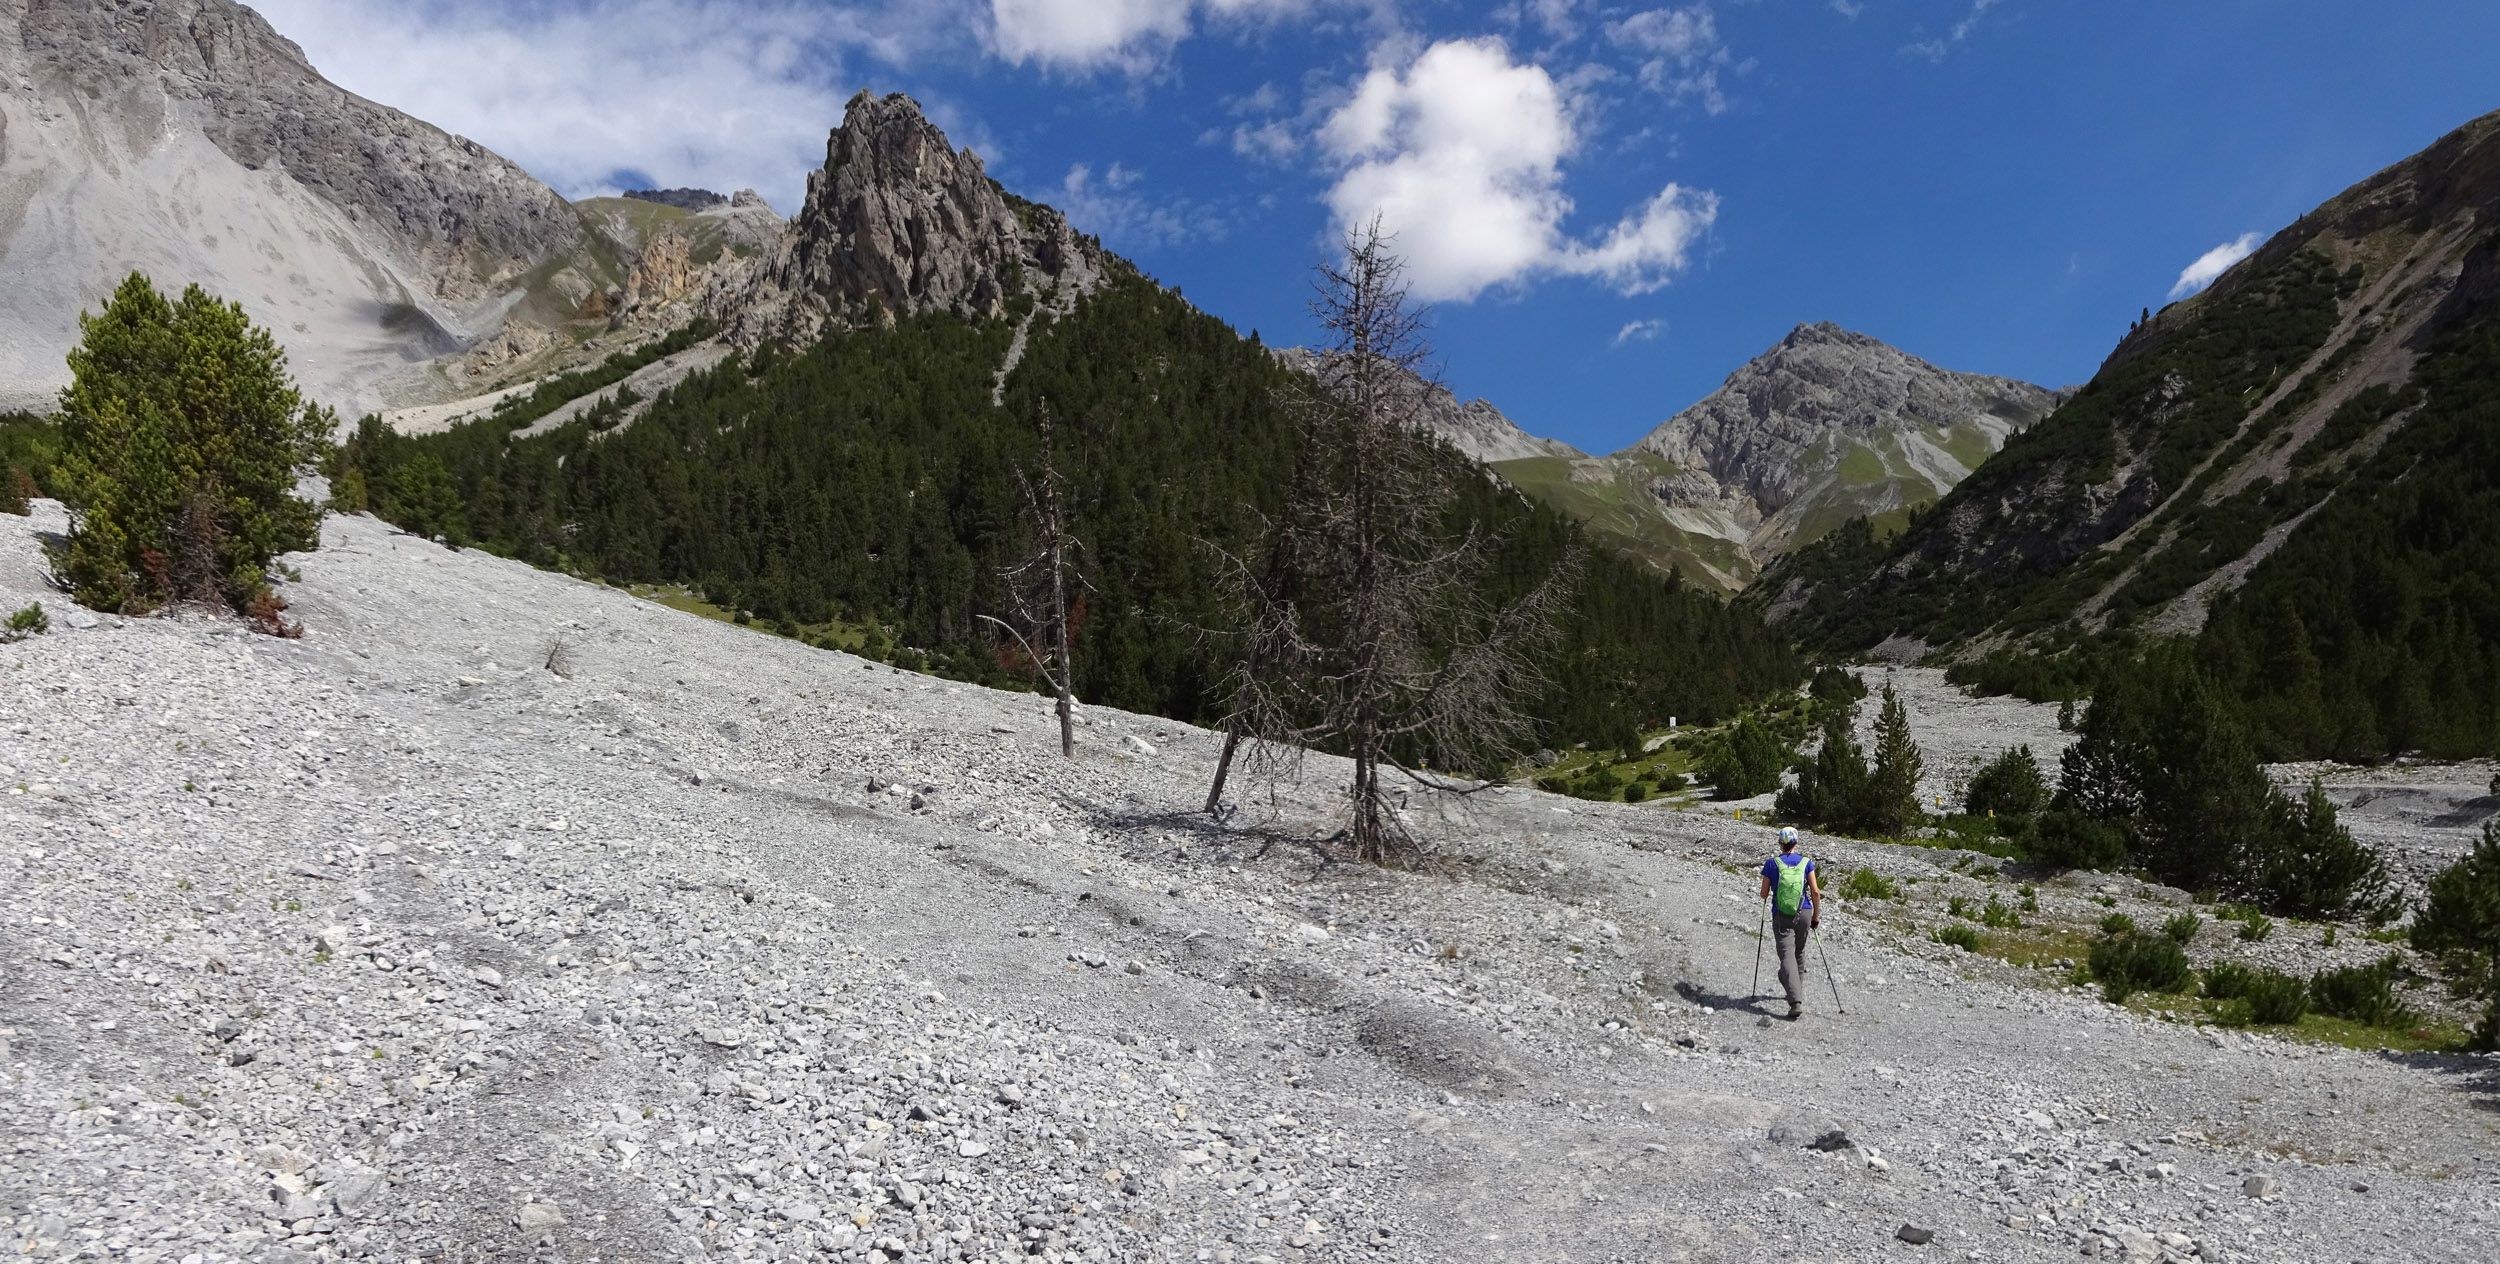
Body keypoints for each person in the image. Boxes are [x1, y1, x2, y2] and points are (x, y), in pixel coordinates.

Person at [1758, 826, 1821, 1019]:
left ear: (1780, 843)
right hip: (1805, 911)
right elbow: (1815, 892)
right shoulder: (1806, 863)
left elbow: (1763, 894)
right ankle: (1795, 991)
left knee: (1787, 955)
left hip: (1782, 914)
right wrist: (1815, 917)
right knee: (1799, 952)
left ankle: (1795, 1001)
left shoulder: (1771, 863)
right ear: (1796, 843)